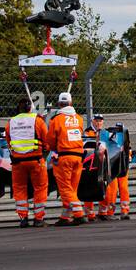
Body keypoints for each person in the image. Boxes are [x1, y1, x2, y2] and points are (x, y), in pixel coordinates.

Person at [6, 97, 49, 228]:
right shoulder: (38, 121)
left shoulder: (11, 122)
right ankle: (38, 219)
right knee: (40, 187)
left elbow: (9, 142)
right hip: (36, 160)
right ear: (30, 108)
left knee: (19, 189)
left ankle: (23, 218)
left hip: (18, 162)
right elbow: (46, 141)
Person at [48, 91, 88, 226]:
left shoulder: (56, 119)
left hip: (65, 157)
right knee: (72, 189)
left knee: (65, 188)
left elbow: (51, 140)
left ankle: (79, 214)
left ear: (59, 104)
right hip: (78, 157)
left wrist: (54, 150)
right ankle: (65, 217)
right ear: (71, 103)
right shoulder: (79, 118)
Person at [95, 115, 131, 221]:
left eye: (119, 130)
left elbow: (128, 155)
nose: (118, 132)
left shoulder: (126, 141)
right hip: (114, 167)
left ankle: (124, 211)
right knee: (112, 190)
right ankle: (109, 212)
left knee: (123, 189)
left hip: (123, 168)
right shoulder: (108, 137)